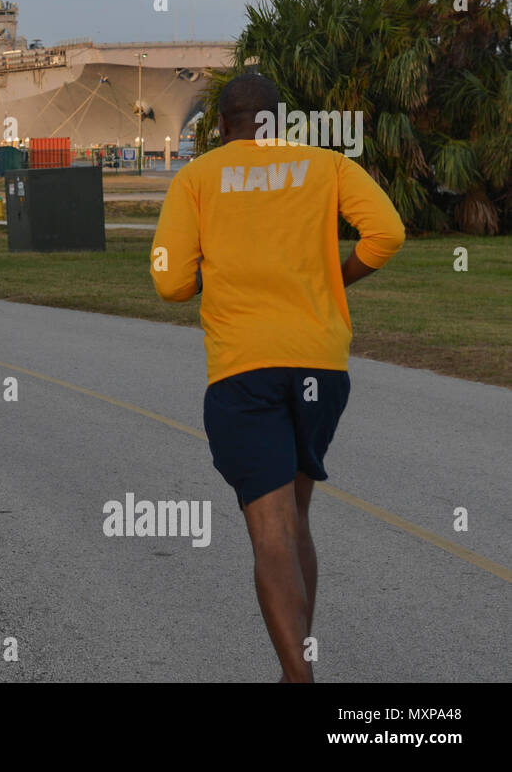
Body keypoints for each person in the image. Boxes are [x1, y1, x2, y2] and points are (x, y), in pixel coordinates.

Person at [150, 73, 405, 682]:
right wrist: (331, 281)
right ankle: (302, 658)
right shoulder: (325, 165)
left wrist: (213, 274)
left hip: (245, 369)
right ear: (280, 123)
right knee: (295, 521)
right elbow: (388, 234)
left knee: (270, 535)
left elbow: (170, 282)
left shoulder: (196, 178)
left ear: (220, 126)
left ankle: (298, 678)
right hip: (320, 365)